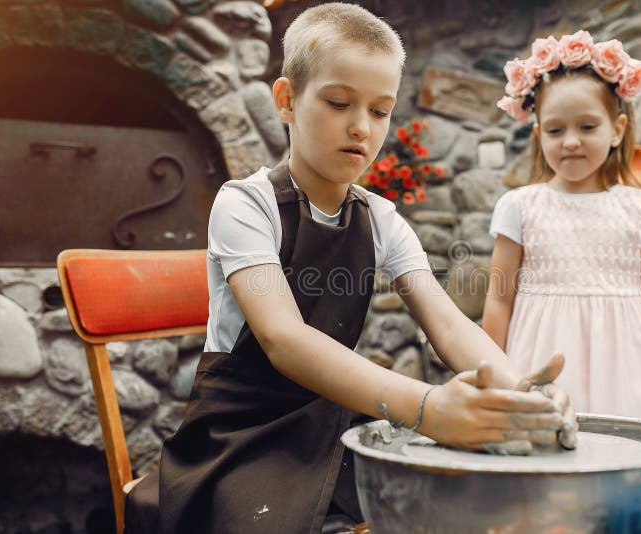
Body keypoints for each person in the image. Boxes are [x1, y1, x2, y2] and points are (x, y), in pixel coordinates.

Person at [124, 5, 577, 534]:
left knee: (456, 499)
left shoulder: (381, 219)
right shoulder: (245, 205)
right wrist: (427, 407)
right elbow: (284, 339)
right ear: (287, 101)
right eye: (339, 102)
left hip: (332, 424)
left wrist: (520, 396)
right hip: (239, 438)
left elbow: (450, 325)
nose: (361, 127)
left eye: (381, 111)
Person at [483, 31, 641, 424]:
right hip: (539, 365)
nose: (571, 141)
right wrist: (492, 382)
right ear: (539, 134)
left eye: (588, 127)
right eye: (556, 130)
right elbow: (498, 300)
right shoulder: (519, 207)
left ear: (618, 129)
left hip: (628, 371)